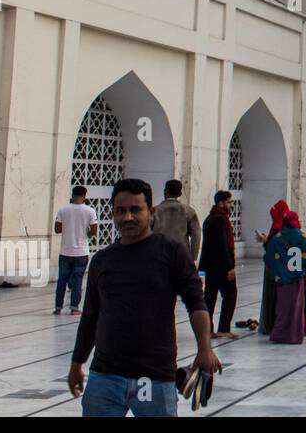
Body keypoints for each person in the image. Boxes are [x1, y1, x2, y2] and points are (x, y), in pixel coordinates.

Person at [68, 178, 219, 417]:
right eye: (121, 211)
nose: (127, 217)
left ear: (151, 212)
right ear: (114, 214)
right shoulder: (102, 260)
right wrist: (77, 364)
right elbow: (90, 317)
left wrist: (205, 349)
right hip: (105, 376)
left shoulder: (171, 252)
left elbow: (196, 303)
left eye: (135, 210)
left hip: (154, 377)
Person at [263, 204, 306, 343]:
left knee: (283, 307)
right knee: (296, 306)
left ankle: (279, 334)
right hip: (297, 278)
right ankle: (295, 334)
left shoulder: (278, 237)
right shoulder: (301, 237)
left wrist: (277, 272)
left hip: (283, 278)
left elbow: (268, 257)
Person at [53, 186, 98, 315]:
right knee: (78, 279)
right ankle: (74, 308)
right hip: (81, 252)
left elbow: (57, 229)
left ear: (72, 195)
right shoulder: (90, 211)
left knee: (62, 279)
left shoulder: (63, 210)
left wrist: (68, 228)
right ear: (84, 196)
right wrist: (86, 233)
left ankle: (58, 307)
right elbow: (94, 232)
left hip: (65, 251)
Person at [199, 190, 238, 338]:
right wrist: (229, 267)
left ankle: (208, 330)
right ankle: (224, 328)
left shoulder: (210, 218)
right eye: (229, 202)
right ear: (221, 203)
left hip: (210, 266)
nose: (230, 205)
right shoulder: (221, 219)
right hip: (221, 266)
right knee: (230, 295)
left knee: (210, 297)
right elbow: (222, 245)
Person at [256, 199, 291, 335]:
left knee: (273, 296)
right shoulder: (287, 226)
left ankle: (272, 325)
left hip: (274, 268)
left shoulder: (277, 227)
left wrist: (266, 241)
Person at [152, 179, 201, 262]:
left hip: (159, 255)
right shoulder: (189, 211)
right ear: (180, 193)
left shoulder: (154, 211)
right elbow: (196, 235)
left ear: (165, 192)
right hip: (181, 256)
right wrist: (193, 257)